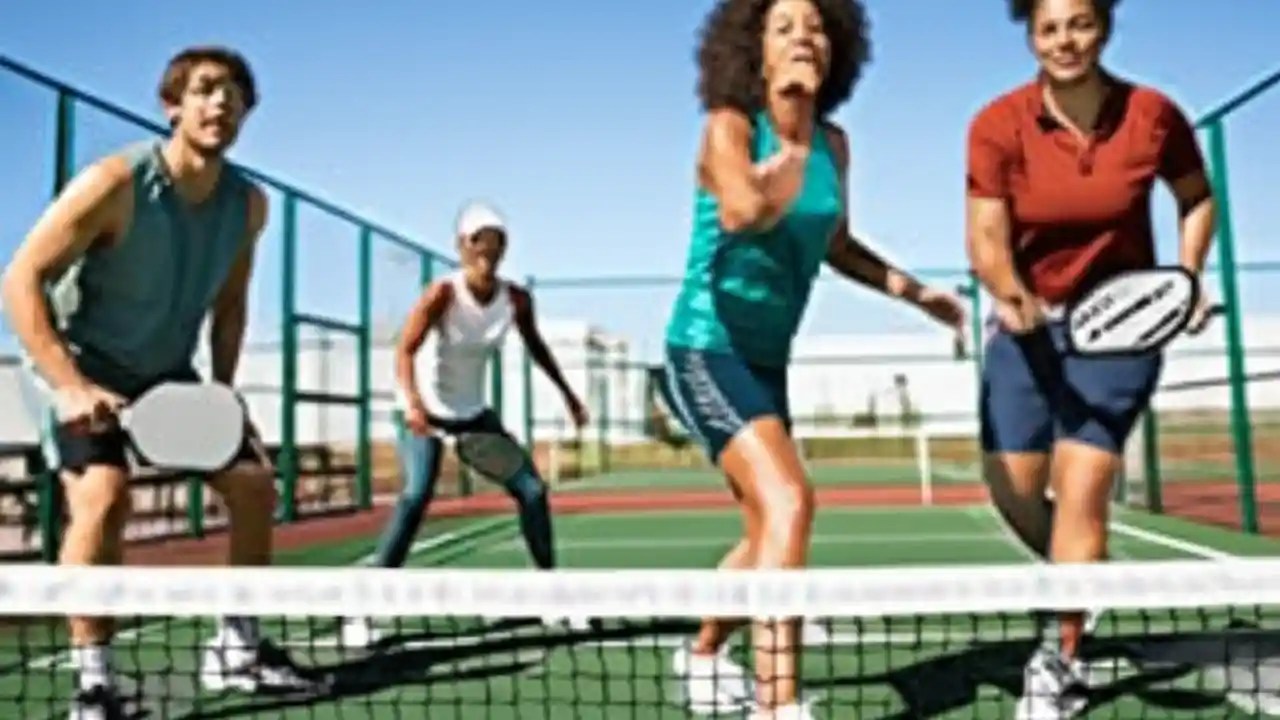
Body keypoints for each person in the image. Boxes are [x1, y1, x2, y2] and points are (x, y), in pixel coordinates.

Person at [1, 47, 327, 718]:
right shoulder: (114, 183)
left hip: (166, 375)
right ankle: (95, 687)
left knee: (253, 484)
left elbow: (230, 303)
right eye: (206, 89)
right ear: (172, 106)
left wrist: (225, 390)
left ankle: (238, 648)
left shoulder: (247, 205)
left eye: (235, 93)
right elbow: (20, 279)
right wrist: (69, 385)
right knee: (103, 497)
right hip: (81, 363)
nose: (221, 103)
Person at [664, 1, 967, 717]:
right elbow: (740, 211)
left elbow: (836, 242)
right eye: (783, 27)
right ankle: (780, 706)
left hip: (769, 358)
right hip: (708, 347)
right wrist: (786, 162)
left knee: (765, 531)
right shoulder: (729, 128)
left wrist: (916, 293)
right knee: (792, 501)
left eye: (816, 25)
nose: (804, 35)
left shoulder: (836, 144)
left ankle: (703, 653)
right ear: (754, 52)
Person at [965, 0, 1216, 717]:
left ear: (1103, 26)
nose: (1064, 40)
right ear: (1031, 35)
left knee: (1082, 489)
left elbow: (1196, 199)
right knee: (1013, 488)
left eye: (1079, 23)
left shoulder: (1153, 115)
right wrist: (1013, 297)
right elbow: (986, 238)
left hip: (1122, 329)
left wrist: (1190, 277)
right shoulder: (996, 124)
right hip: (1025, 322)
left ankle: (1060, 660)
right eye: (1049, 27)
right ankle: (1080, 579)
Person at [341, 201, 589, 648]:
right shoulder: (441, 293)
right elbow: (405, 351)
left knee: (533, 492)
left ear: (503, 246)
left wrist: (569, 395)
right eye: (476, 240)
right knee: (416, 495)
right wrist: (414, 405)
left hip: (474, 415)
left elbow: (538, 347)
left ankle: (551, 594)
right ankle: (364, 608)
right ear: (461, 245)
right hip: (423, 413)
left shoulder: (514, 299)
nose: (485, 249)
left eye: (493, 239)